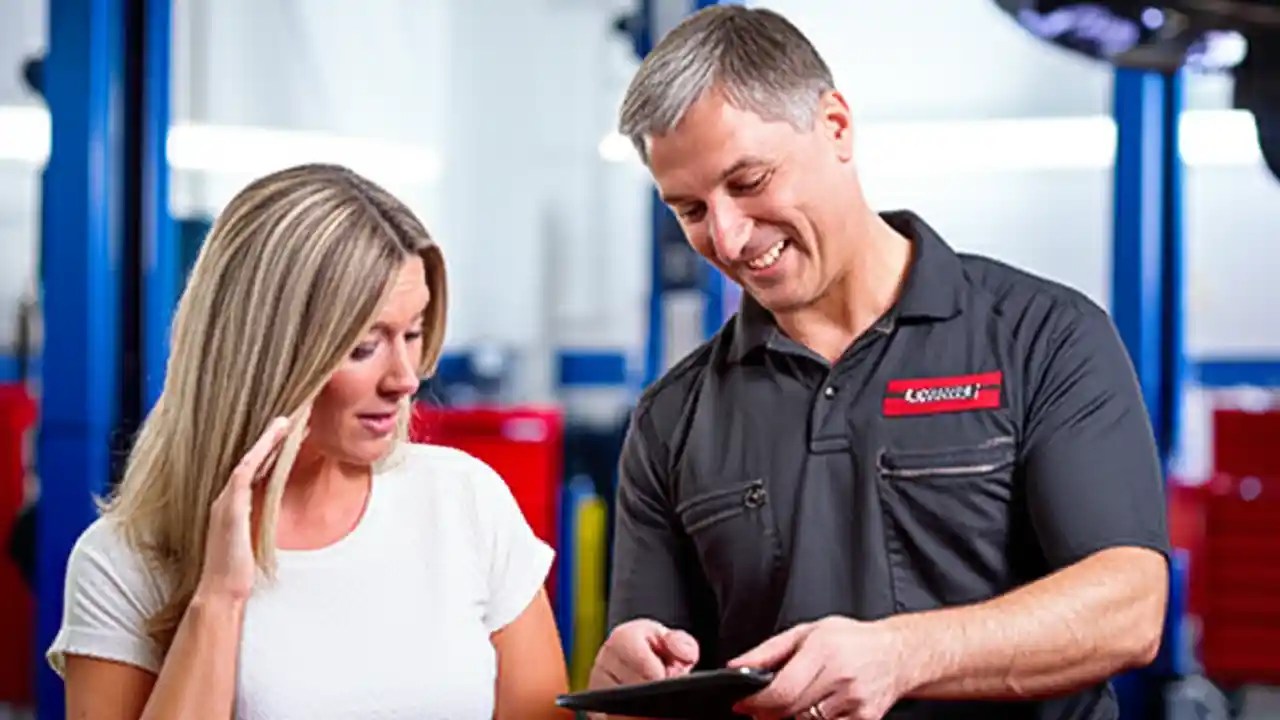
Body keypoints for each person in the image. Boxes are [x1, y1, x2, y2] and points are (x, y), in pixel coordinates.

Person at [589, 7, 1170, 720]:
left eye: (748, 182)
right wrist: (627, 689)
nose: (729, 238)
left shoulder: (1042, 337)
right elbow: (656, 684)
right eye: (690, 210)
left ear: (835, 126)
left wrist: (903, 655)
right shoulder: (672, 419)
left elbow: (1129, 608)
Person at [47, 163, 572, 719]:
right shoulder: (125, 562)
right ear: (269, 355)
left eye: (413, 334)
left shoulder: (464, 501)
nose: (405, 379)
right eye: (364, 346)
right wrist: (219, 600)